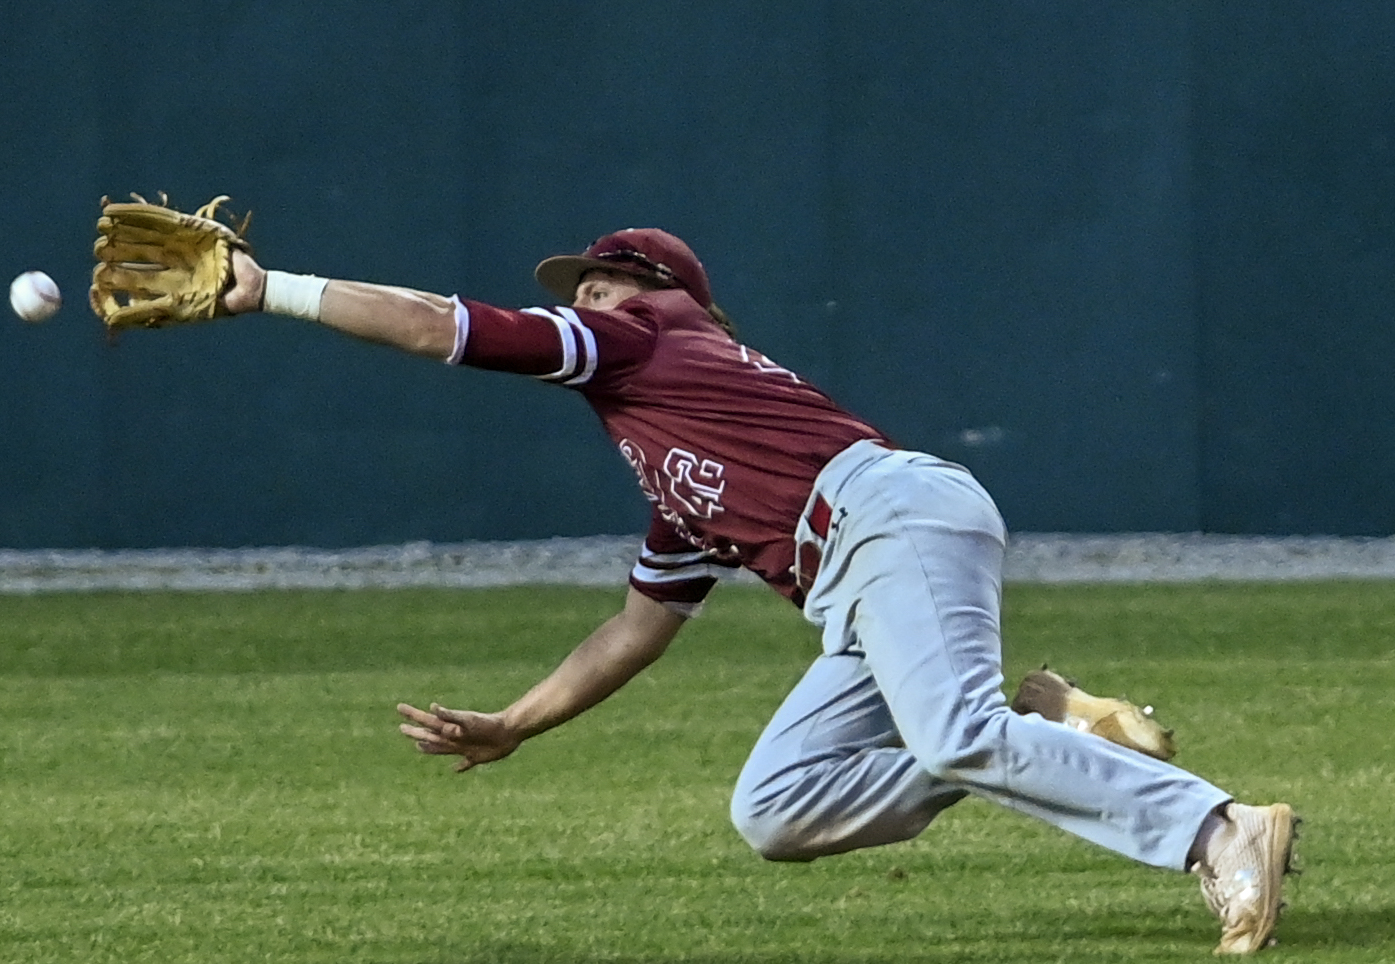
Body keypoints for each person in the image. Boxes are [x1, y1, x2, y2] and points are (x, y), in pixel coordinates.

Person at [212, 229, 1296, 955]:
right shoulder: (673, 455)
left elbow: (438, 325)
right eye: (580, 289)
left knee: (952, 731)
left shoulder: (649, 340)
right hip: (857, 579)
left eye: (602, 278)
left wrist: (276, 291)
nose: (582, 296)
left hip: (885, 516)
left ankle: (1218, 829)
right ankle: (1035, 723)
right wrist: (514, 723)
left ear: (670, 294)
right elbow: (636, 627)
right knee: (778, 807)